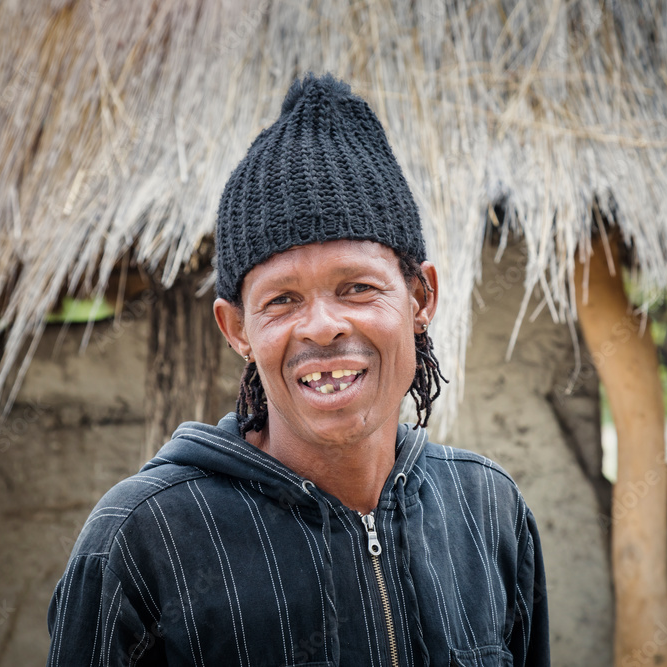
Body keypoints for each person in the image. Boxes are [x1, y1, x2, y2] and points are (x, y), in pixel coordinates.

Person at [46, 72, 550, 667]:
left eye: (357, 287)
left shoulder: (486, 509)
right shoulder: (144, 539)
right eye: (282, 300)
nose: (321, 326)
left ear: (422, 298)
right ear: (236, 330)